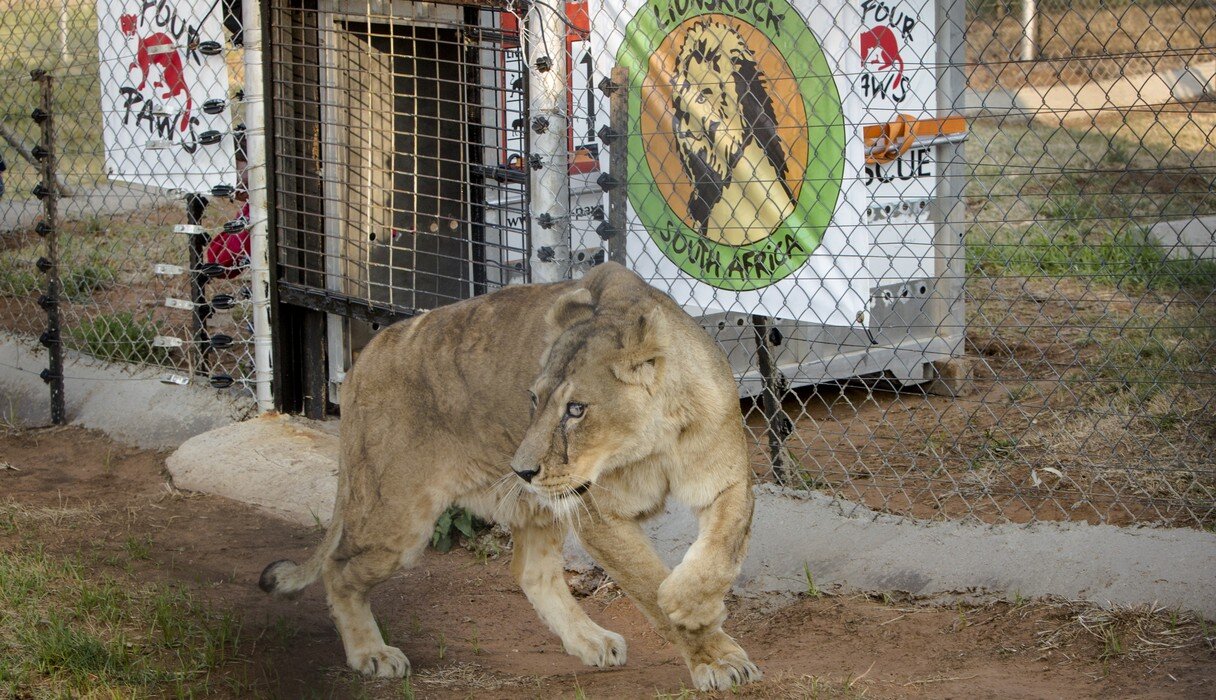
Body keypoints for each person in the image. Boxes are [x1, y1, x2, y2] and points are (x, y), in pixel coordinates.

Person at [204, 125, 250, 278]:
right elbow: (220, 260)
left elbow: (223, 260)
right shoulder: (251, 209)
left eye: (233, 172)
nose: (232, 185)